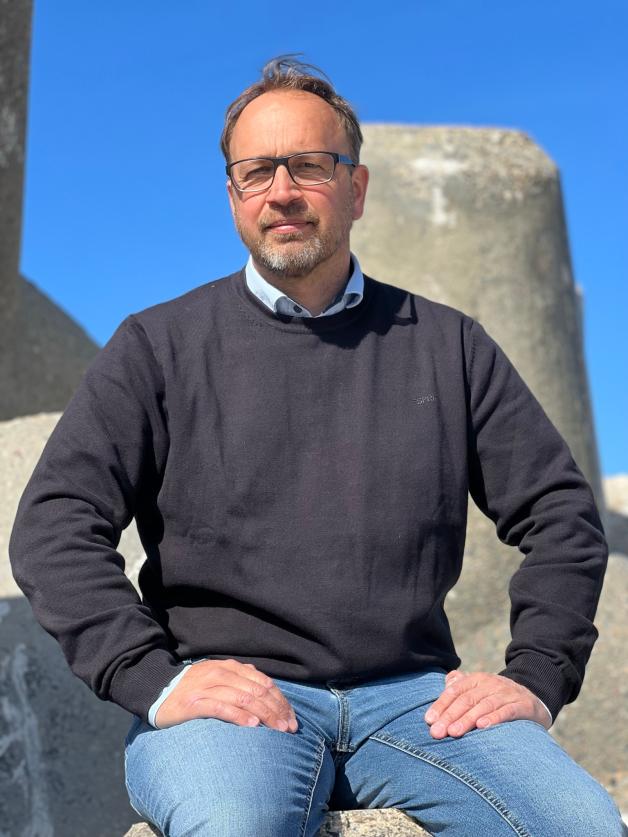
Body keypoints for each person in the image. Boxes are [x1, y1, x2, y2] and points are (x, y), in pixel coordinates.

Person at [9, 56, 624, 837]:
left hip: (415, 702)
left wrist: (536, 675)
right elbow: (54, 524)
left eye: (310, 164)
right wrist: (156, 680)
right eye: (256, 170)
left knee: (581, 824)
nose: (283, 190)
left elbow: (562, 514)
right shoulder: (157, 347)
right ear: (233, 194)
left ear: (356, 189)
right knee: (233, 825)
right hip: (235, 705)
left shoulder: (448, 345)